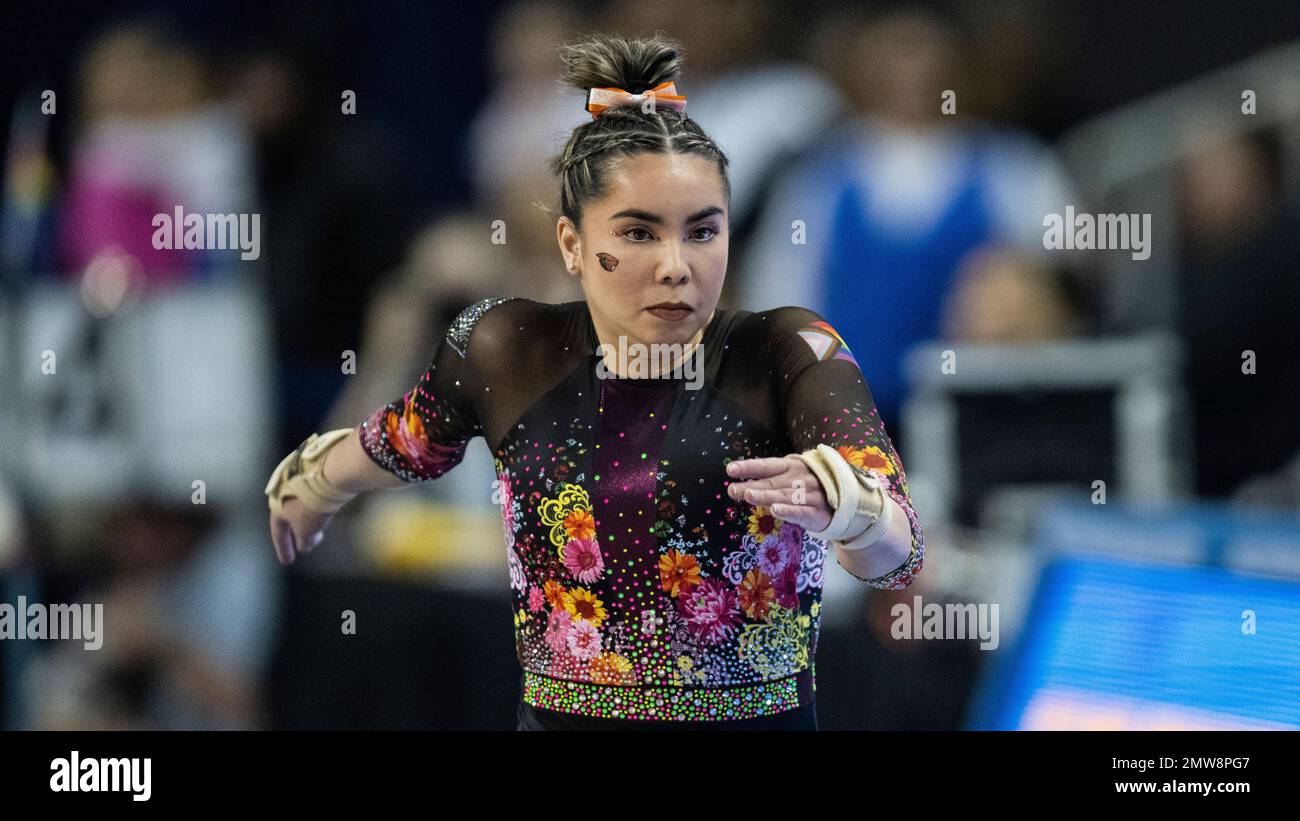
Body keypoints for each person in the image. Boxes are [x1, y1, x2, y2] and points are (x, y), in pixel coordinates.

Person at [264, 32, 925, 731]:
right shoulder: (509, 346)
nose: (677, 265)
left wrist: (850, 506)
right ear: (573, 244)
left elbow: (902, 548)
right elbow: (405, 439)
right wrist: (311, 480)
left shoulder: (788, 350)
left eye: (703, 232)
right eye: (639, 233)